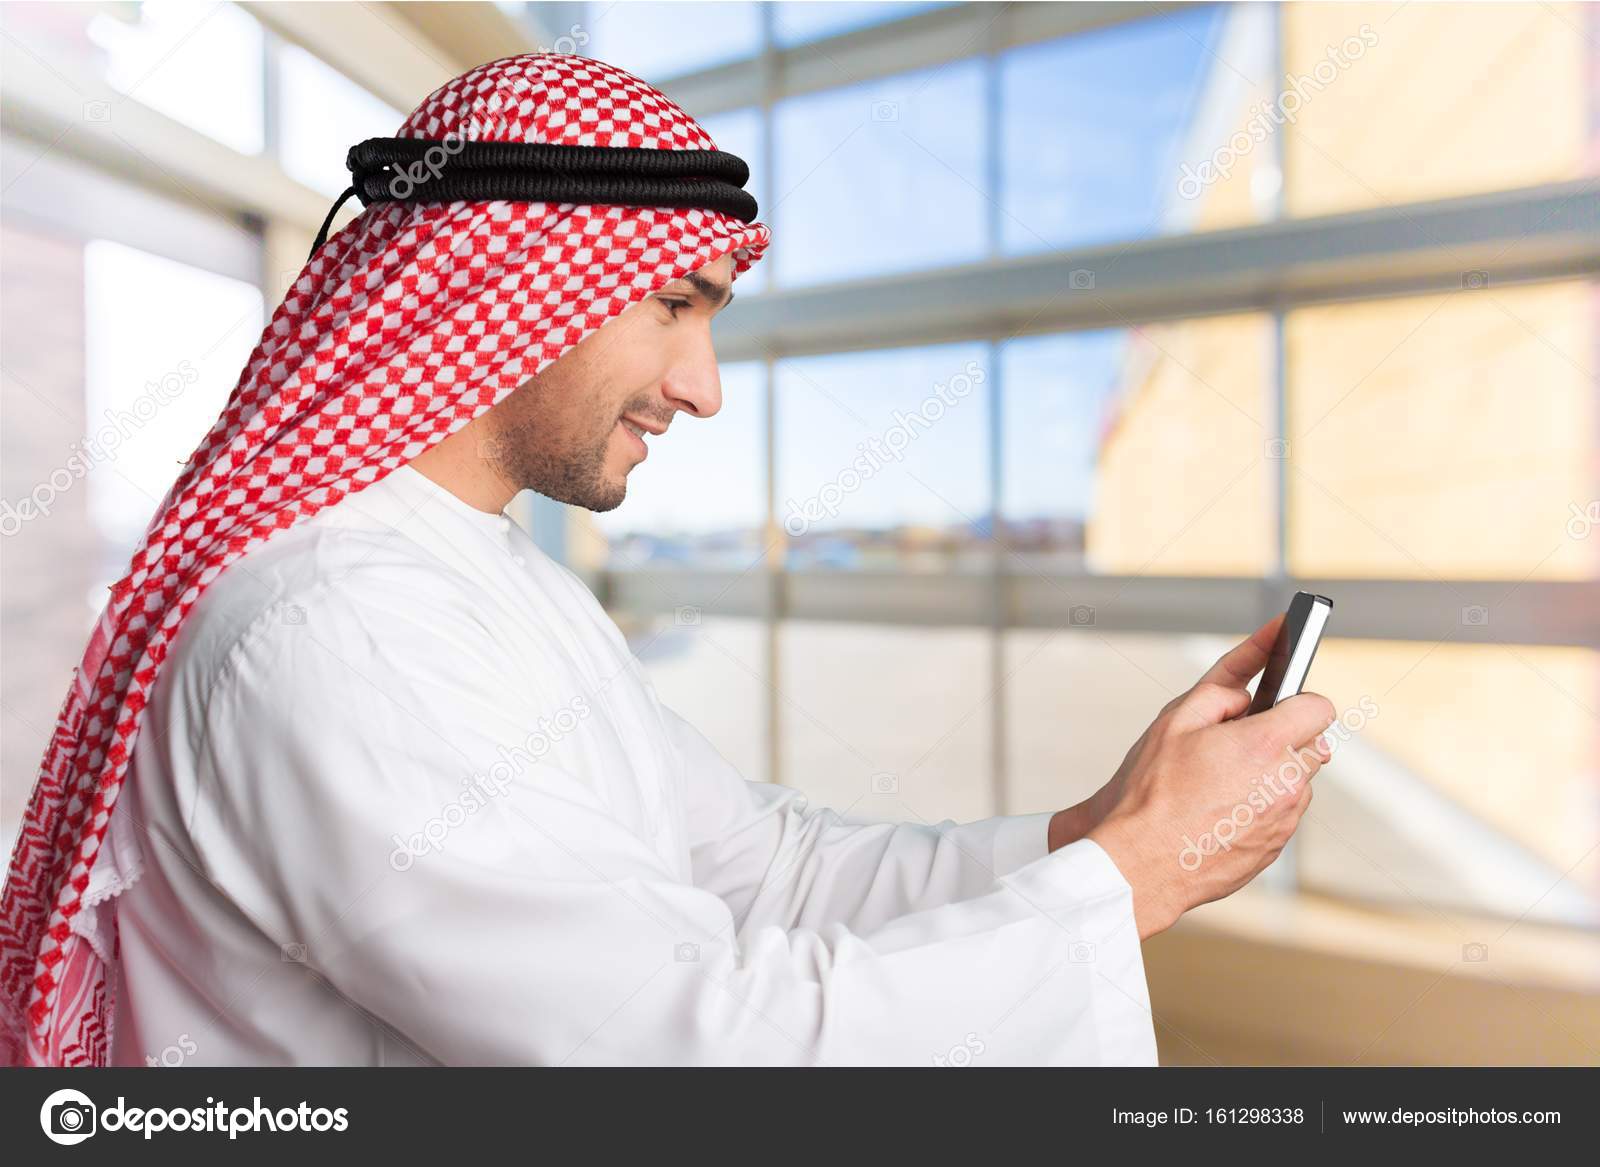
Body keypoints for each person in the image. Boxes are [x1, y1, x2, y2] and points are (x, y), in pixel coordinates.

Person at [0, 54, 1333, 1067]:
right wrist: (1137, 875)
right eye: (675, 305)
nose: (700, 388)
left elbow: (763, 871)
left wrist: (1102, 827)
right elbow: (687, 1047)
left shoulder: (492, 580)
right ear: (500, 278)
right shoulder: (335, 626)